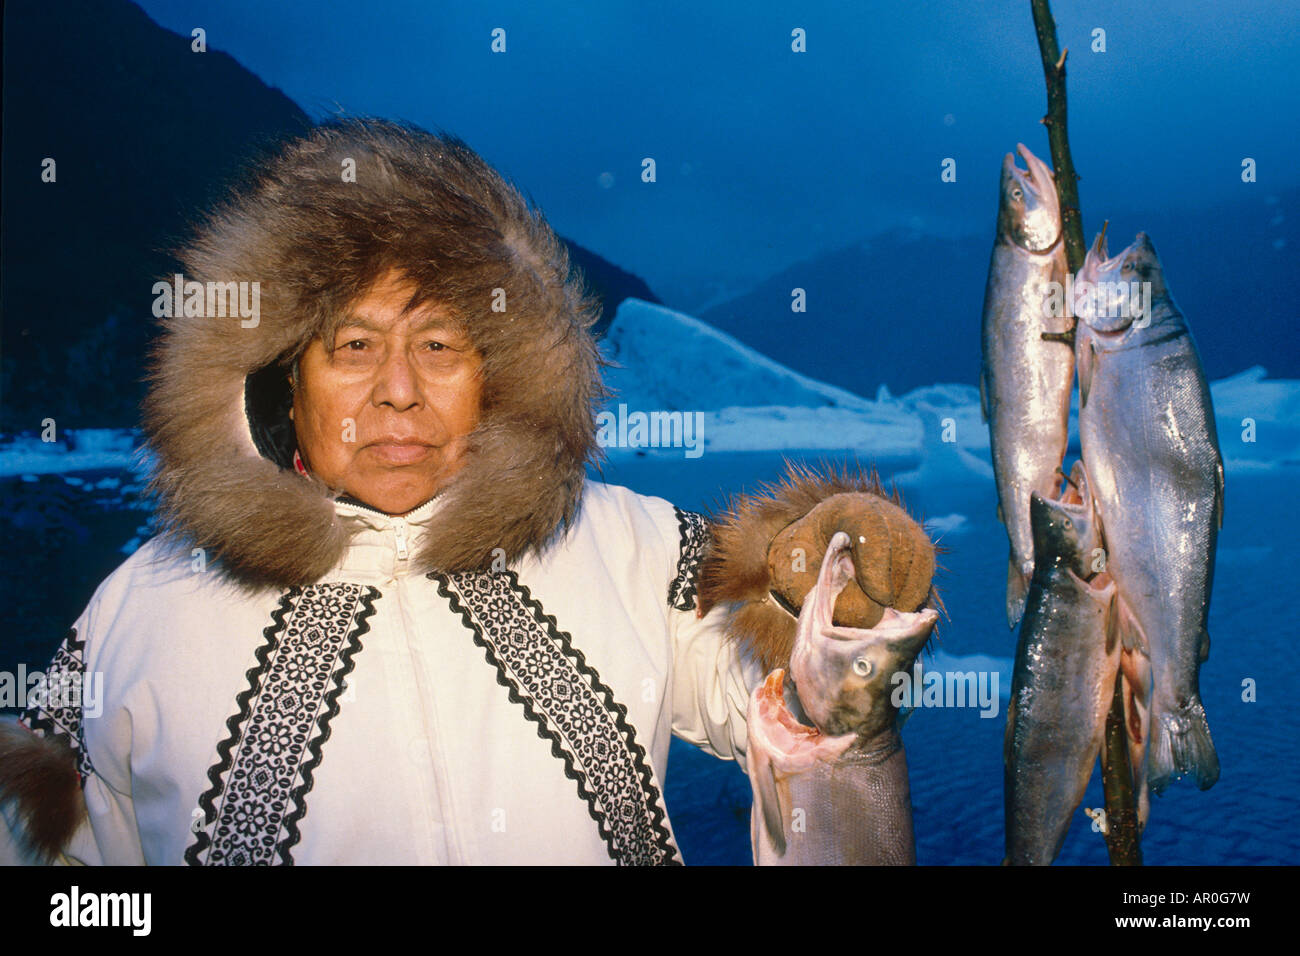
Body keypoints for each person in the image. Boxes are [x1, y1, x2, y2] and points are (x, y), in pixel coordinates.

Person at [0, 120, 934, 865]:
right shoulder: (138, 616)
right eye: (354, 346)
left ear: (498, 374)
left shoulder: (631, 548)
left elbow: (797, 698)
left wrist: (838, 590)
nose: (398, 390)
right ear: (283, 379)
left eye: (439, 346)